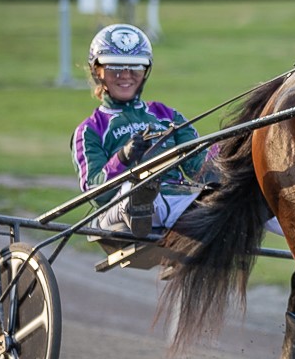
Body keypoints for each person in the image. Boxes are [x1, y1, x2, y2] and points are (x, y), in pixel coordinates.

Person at [71, 23, 206, 237]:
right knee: (134, 193)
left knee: (220, 196)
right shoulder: (90, 130)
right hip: (117, 211)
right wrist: (123, 158)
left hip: (176, 199)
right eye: (115, 67)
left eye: (135, 67)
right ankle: (142, 201)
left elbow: (200, 166)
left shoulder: (167, 115)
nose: (126, 75)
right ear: (98, 72)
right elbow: (95, 192)